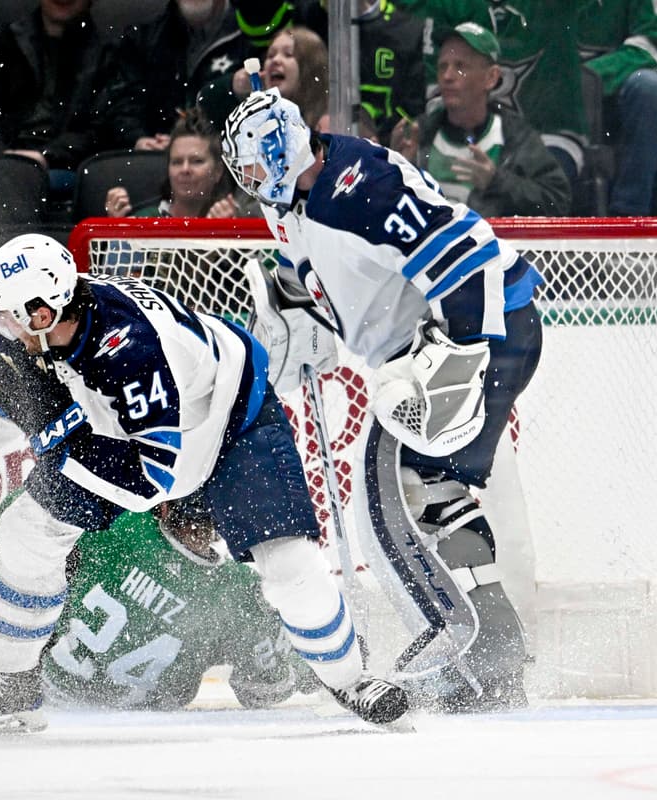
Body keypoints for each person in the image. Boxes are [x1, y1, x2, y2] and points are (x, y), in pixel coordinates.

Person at [0, 232, 409, 733]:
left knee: (287, 558)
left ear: (43, 313)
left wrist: (61, 440)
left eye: (8, 317)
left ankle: (351, 680)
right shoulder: (39, 327)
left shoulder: (131, 349)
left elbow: (155, 480)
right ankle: (10, 685)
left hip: (232, 419)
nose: (2, 327)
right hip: (137, 436)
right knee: (28, 532)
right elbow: (7, 393)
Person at [220, 84, 540, 710]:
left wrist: (460, 356)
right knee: (429, 489)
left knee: (383, 492)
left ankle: (458, 640)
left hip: (485, 329)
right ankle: (492, 658)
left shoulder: (361, 190)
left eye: (255, 165)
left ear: (283, 151)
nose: (249, 181)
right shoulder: (290, 199)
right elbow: (306, 267)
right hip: (442, 342)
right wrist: (295, 305)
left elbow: (468, 253)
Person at [0, 493, 317, 711]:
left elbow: (36, 522)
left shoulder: (119, 524)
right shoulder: (236, 592)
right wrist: (313, 667)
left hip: (49, 696)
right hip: (152, 733)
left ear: (164, 506)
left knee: (41, 517)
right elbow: (262, 690)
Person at [397, 0, 591, 189]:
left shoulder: (548, 7)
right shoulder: (449, 8)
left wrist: (497, 182)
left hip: (549, 136)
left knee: (532, 192)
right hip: (473, 141)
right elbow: (438, 99)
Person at [391, 22, 569, 217]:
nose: (447, 76)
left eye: (460, 67)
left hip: (495, 237)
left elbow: (557, 202)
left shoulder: (515, 138)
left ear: (491, 77)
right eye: (442, 67)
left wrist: (496, 181)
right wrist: (397, 169)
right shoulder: (416, 135)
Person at [0, 0, 116, 195]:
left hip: (60, 166)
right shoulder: (1, 40)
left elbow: (100, 128)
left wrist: (46, 155)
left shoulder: (107, 52)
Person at [103, 0, 252, 152]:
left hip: (230, 154)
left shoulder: (254, 33)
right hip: (156, 155)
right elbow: (122, 103)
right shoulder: (144, 37)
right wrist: (138, 139)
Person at [576, 0, 657, 216]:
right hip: (546, 93)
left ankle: (629, 215)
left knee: (648, 87)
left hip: (612, 97)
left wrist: (589, 77)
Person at [104, 109, 240, 219]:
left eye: (196, 161)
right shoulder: (143, 220)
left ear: (218, 171)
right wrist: (114, 230)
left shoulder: (237, 221)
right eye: (177, 162)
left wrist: (227, 236)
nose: (185, 169)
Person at [199, 25, 329, 133]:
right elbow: (204, 106)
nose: (275, 60)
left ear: (311, 67)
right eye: (270, 55)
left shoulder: (329, 124)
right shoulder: (252, 118)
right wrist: (235, 86)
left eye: (288, 54)